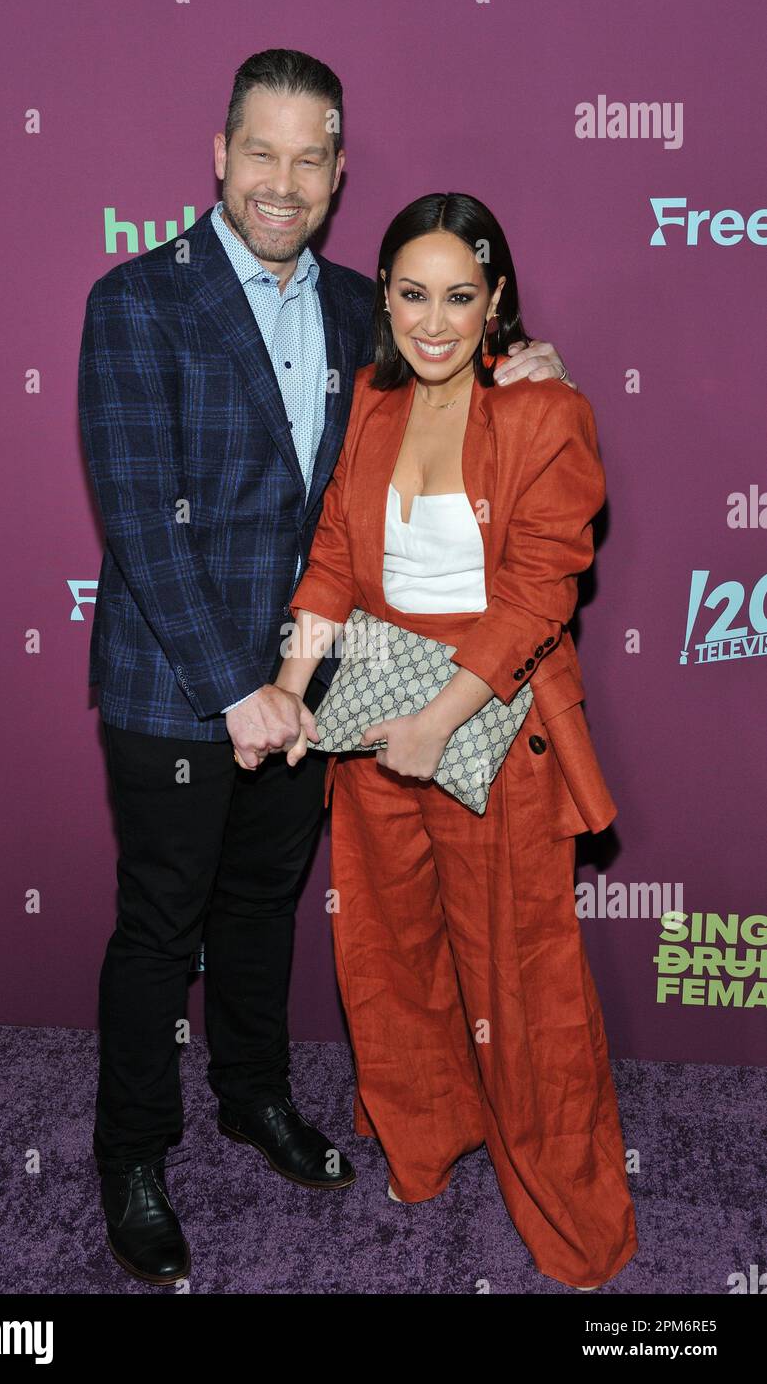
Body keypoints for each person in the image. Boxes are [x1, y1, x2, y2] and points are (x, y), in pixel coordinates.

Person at [78, 48, 574, 1286]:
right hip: (176, 683)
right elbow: (138, 519)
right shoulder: (136, 299)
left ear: (341, 172)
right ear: (219, 156)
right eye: (262, 152)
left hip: (319, 684)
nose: (282, 182)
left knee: (260, 912)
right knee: (159, 929)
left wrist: (529, 370)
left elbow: (453, 379)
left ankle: (252, 1095)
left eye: (310, 158)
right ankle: (133, 1154)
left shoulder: (367, 304)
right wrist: (232, 687)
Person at [275, 191, 639, 1291]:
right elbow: (336, 553)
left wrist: (438, 723)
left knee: (521, 978)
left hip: (494, 729)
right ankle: (427, 1138)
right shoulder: (376, 404)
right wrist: (294, 685)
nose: (434, 321)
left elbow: (540, 591)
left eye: (460, 297)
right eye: (411, 294)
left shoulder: (544, 410)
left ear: (495, 304)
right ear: (382, 295)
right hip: (371, 719)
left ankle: (574, 1211)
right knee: (388, 955)